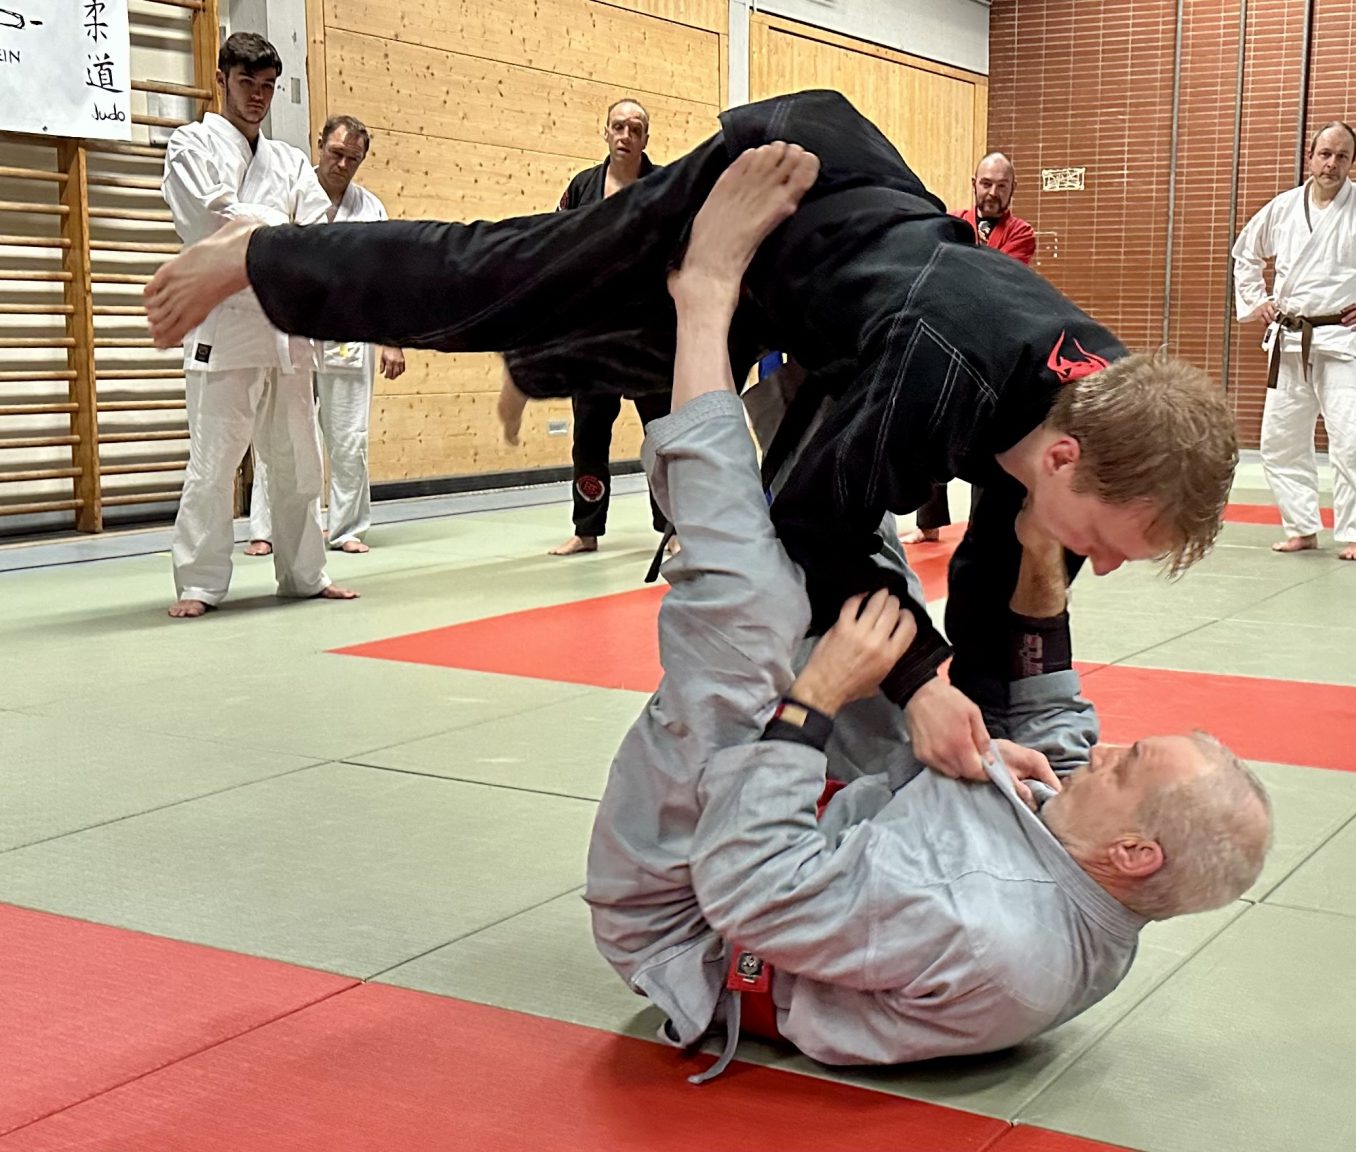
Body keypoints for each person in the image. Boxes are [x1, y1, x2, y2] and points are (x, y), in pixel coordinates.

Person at [144, 90, 1235, 778]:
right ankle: (261, 255)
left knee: (1023, 550)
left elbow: (1013, 580)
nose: (1109, 558)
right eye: (1113, 537)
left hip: (848, 294)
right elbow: (809, 533)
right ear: (1062, 456)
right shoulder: (935, 370)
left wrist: (1012, 752)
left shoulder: (1106, 409)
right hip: (776, 202)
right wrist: (921, 687)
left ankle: (548, 363)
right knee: (511, 280)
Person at [583, 147, 1273, 1076]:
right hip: (849, 817)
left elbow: (748, 887)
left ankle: (702, 295)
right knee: (870, 581)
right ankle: (817, 384)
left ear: (1138, 851)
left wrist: (814, 697)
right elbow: (1057, 719)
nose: (1108, 748)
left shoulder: (985, 926)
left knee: (752, 604)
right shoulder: (1096, 843)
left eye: (1130, 764)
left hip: (690, 902)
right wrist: (1038, 554)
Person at [158, 32, 355, 617]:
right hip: (225, 327)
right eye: (247, 84)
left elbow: (317, 233)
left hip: (288, 334)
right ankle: (198, 584)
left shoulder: (291, 159)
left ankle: (305, 573)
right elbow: (211, 224)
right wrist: (279, 229)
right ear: (222, 80)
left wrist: (272, 233)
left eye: (269, 88)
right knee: (214, 462)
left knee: (299, 463)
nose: (259, 98)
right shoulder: (190, 146)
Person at [1233, 120, 1356, 562]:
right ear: (1310, 156)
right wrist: (1257, 301)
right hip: (1288, 340)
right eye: (1325, 153)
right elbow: (1245, 254)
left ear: (1351, 162)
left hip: (1341, 340)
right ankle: (1301, 527)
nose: (1331, 163)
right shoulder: (1283, 208)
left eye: (1342, 156)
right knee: (1280, 440)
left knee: (1348, 439)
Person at [247, 114, 407, 557]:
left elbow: (384, 281)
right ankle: (265, 528)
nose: (342, 164)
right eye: (336, 153)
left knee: (349, 437)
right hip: (292, 330)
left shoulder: (370, 208)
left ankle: (346, 528)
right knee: (280, 432)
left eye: (353, 158)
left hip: (349, 335)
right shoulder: (288, 195)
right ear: (319, 145)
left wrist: (391, 339)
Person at [548, 98, 673, 557]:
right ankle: (586, 529)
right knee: (589, 435)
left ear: (645, 138)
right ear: (605, 132)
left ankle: (672, 526)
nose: (625, 135)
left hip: (648, 335)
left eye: (635, 128)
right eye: (618, 126)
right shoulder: (583, 187)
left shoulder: (663, 186)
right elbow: (557, 248)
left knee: (663, 435)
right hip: (593, 335)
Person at [904, 151, 1038, 545]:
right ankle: (928, 523)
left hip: (995, 347)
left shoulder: (1022, 232)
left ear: (1012, 188)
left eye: (1001, 185)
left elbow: (998, 277)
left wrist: (964, 266)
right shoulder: (951, 223)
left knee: (988, 437)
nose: (992, 192)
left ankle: (983, 527)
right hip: (948, 339)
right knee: (931, 430)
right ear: (974, 183)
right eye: (986, 183)